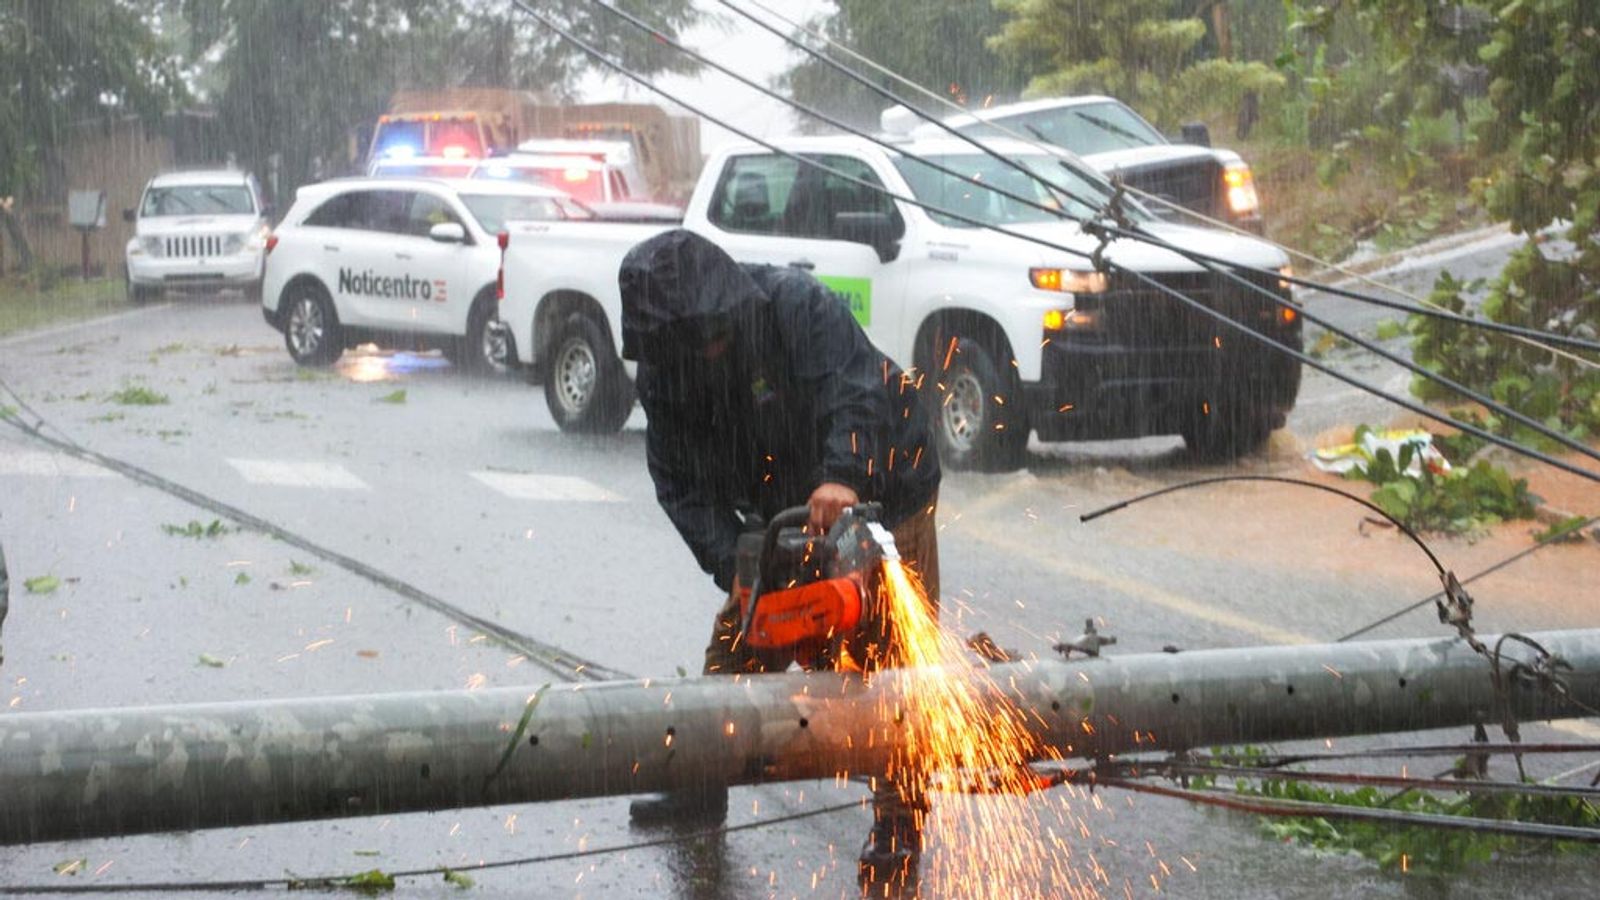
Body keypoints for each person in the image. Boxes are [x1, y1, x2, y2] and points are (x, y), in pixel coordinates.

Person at [619, 229, 941, 886]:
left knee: (893, 653)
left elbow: (856, 387)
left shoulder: (796, 306)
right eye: (693, 340)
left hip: (883, 480)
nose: (708, 348)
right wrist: (737, 567)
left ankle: (899, 814)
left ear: (729, 307)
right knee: (737, 641)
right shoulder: (667, 373)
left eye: (715, 333)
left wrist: (844, 475)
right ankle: (700, 782)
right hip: (782, 503)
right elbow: (679, 482)